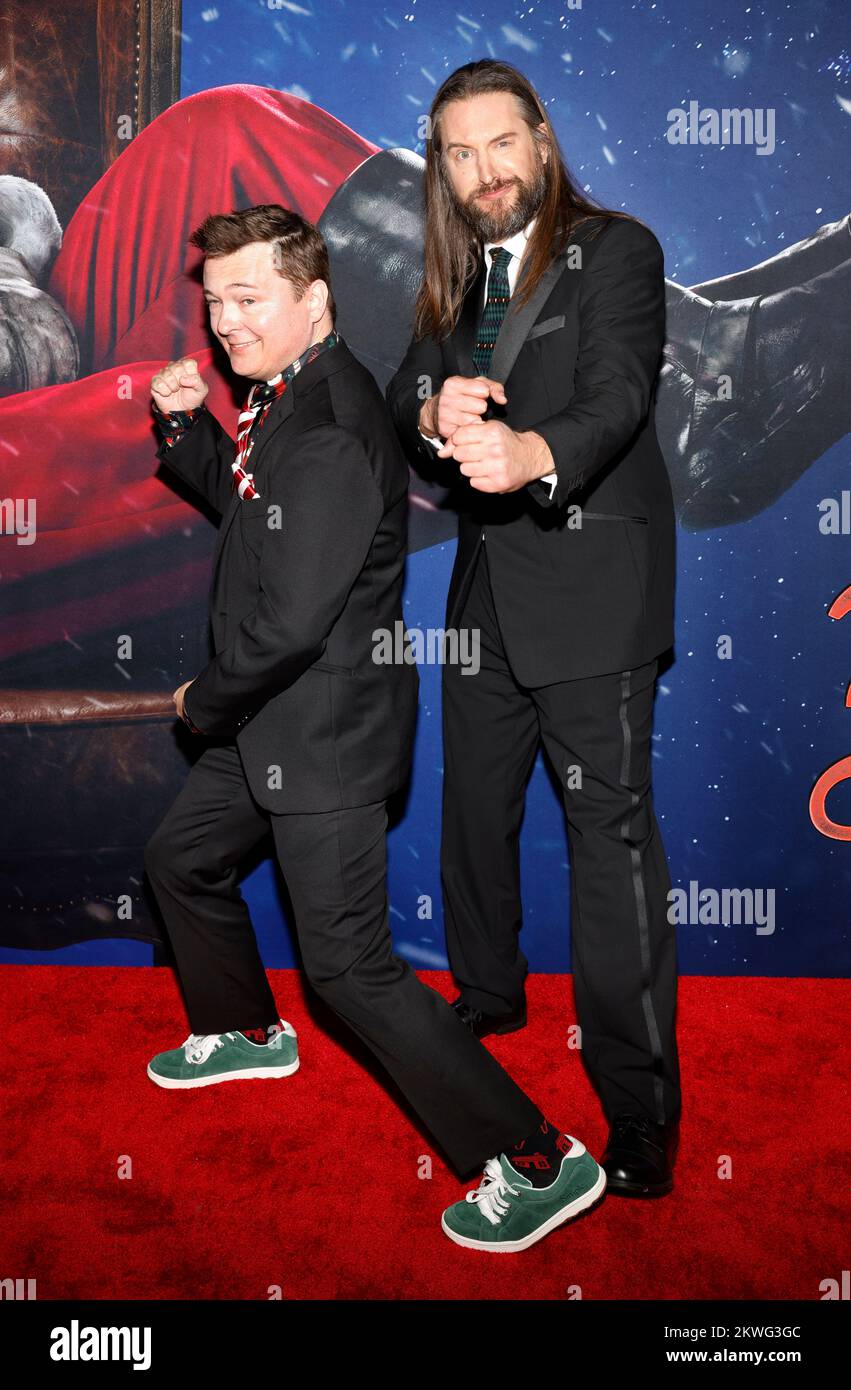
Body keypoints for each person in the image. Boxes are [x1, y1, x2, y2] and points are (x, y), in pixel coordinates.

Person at [142, 202, 607, 1251]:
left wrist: (201, 701)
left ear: (314, 300)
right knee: (179, 859)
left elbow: (292, 621)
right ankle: (245, 1028)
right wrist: (185, 430)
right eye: (213, 302)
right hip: (273, 718)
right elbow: (257, 516)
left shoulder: (330, 424)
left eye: (247, 298)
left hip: (320, 736)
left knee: (349, 971)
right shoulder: (293, 390)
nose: (224, 322)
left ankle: (537, 1156)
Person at [387, 60, 682, 1197]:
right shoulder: (455, 280)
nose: (483, 172)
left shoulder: (618, 250)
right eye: (458, 154)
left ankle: (639, 1108)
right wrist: (431, 407)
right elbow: (403, 390)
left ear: (542, 141)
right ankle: (489, 991)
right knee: (472, 809)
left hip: (591, 591)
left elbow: (617, 397)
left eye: (499, 144)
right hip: (483, 598)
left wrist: (531, 453)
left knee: (609, 850)